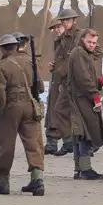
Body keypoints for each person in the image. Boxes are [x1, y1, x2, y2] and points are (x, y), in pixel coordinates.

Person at [0, 34, 46, 196]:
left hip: (11, 107)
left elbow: (1, 94)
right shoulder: (30, 61)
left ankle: (3, 182)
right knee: (33, 142)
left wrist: (0, 112)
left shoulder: (3, 65)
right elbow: (40, 87)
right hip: (30, 105)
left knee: (7, 144)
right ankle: (37, 179)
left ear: (4, 49)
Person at [68, 28, 103, 180]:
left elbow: (88, 77)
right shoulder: (79, 53)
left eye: (94, 43)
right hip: (81, 99)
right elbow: (83, 79)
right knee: (87, 134)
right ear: (82, 40)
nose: (92, 45)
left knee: (81, 134)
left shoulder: (83, 53)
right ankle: (85, 170)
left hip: (82, 97)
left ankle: (79, 169)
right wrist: (95, 96)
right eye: (89, 42)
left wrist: (100, 82)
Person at [50, 8, 81, 156]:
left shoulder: (79, 36)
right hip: (64, 80)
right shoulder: (63, 38)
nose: (64, 23)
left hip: (75, 80)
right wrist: (55, 67)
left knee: (79, 114)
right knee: (60, 111)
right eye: (62, 21)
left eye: (67, 20)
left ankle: (87, 144)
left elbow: (96, 51)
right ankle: (69, 142)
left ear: (74, 20)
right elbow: (62, 58)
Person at [44, 17, 65, 155]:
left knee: (63, 111)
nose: (57, 30)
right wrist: (54, 67)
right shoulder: (58, 41)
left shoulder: (72, 41)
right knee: (52, 108)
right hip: (57, 79)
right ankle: (52, 142)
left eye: (59, 27)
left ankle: (70, 142)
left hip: (65, 81)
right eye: (55, 28)